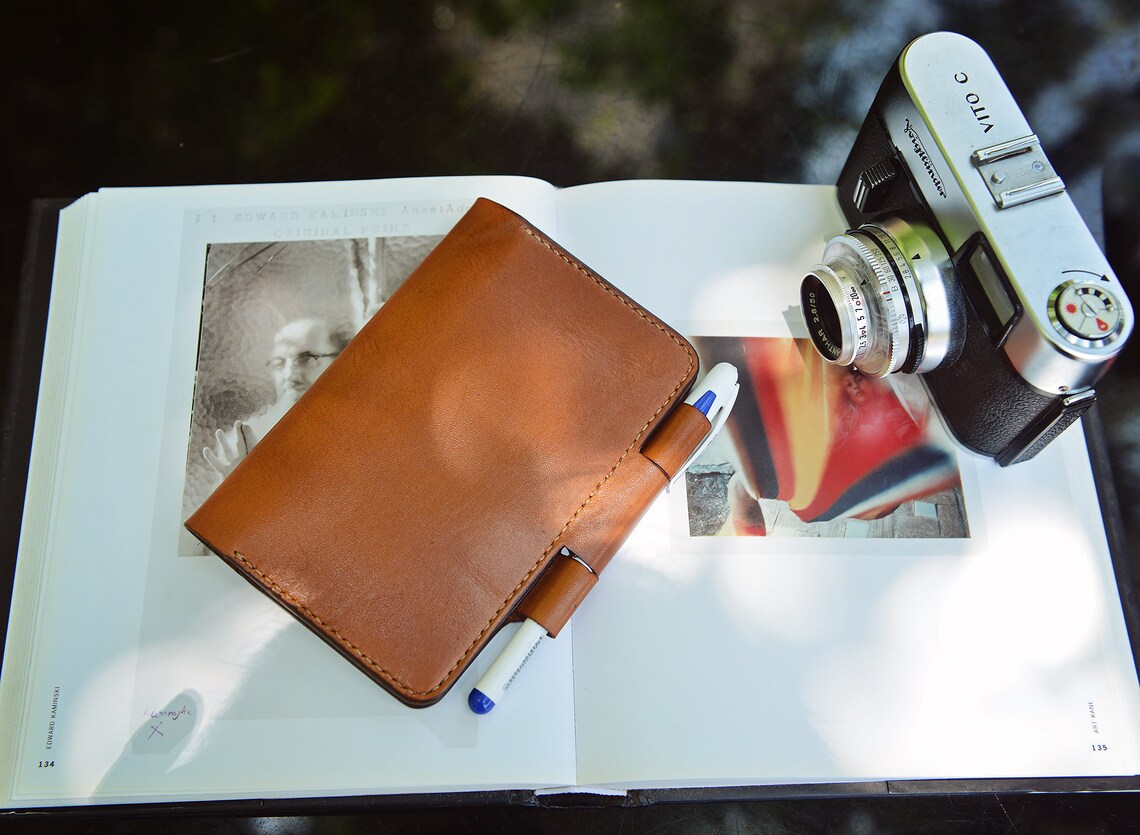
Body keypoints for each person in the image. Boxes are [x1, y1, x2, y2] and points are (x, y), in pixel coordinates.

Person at [203, 318, 349, 481]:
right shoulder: (244, 444)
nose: (289, 374)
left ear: (341, 360)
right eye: (279, 363)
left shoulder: (362, 427)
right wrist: (241, 486)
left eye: (305, 358)